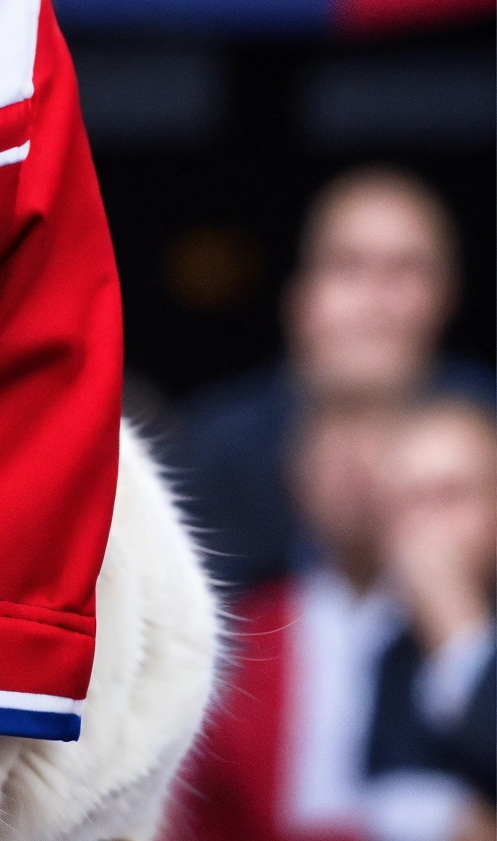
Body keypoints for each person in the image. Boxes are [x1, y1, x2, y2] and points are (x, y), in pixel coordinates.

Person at [168, 389, 404, 841]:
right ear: (294, 480)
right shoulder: (244, 629)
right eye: (332, 453)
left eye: (381, 450)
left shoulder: (457, 629)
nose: (356, 473)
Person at [172, 170, 490, 592]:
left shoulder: (490, 425)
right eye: (347, 266)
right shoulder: (216, 447)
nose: (374, 296)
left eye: (405, 269)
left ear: (447, 296)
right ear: (301, 294)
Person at [357, 398, 496, 841]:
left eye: (449, 497)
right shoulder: (396, 651)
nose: (425, 527)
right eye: (404, 506)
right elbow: (390, 793)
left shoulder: (442, 630)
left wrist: (463, 640)